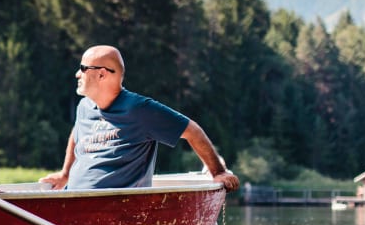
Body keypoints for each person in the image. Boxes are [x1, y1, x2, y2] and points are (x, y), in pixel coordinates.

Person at [40, 45, 239, 191]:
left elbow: (192, 130)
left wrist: (218, 172)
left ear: (102, 75)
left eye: (83, 68)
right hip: (72, 200)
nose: (77, 74)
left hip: (116, 208)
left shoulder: (140, 109)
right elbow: (77, 133)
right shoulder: (84, 106)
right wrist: (65, 174)